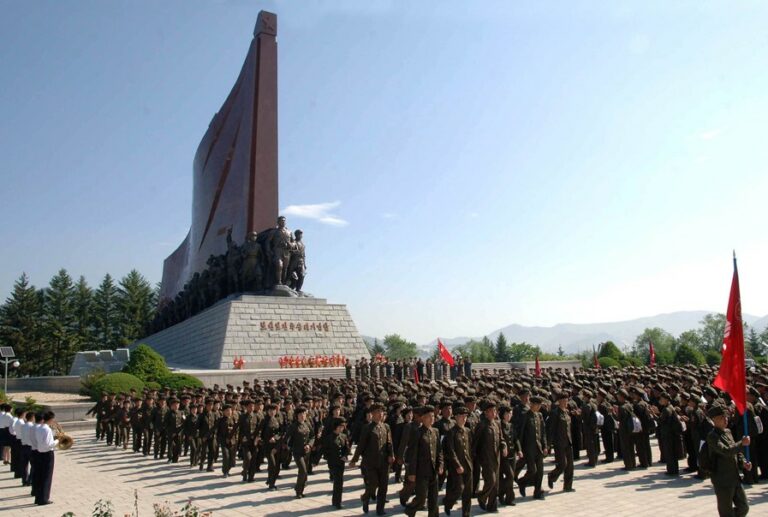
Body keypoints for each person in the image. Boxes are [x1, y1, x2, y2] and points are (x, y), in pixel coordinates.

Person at [706, 405, 751, 517]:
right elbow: (725, 451)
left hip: (734, 477)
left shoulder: (728, 432)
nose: (725, 419)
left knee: (744, 507)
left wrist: (743, 462)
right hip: (722, 479)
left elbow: (736, 452)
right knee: (726, 511)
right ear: (714, 420)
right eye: (722, 417)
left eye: (726, 416)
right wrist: (741, 443)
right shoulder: (712, 436)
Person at [349, 403, 393, 515]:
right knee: (373, 483)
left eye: (381, 412)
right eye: (377, 412)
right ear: (372, 414)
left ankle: (380, 509)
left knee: (383, 486)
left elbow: (389, 443)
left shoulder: (386, 427)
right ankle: (365, 497)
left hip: (384, 462)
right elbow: (361, 445)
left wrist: (391, 455)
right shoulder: (367, 428)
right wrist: (354, 459)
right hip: (371, 462)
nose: (380, 414)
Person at [404, 405, 443, 517]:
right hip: (421, 471)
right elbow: (413, 454)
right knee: (421, 498)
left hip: (433, 470)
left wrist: (440, 464)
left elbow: (439, 451)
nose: (432, 419)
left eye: (433, 416)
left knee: (434, 498)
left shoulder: (435, 431)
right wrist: (412, 473)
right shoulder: (417, 433)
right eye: (429, 416)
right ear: (423, 418)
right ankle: (410, 510)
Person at [474, 400, 506, 512]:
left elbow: (501, 439)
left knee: (495, 484)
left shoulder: (497, 424)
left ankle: (492, 506)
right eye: (491, 411)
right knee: (491, 481)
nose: (493, 413)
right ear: (486, 413)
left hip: (496, 457)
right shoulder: (481, 425)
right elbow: (475, 443)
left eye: (495, 411)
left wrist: (504, 446)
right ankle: (482, 497)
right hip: (486, 458)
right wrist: (476, 458)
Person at [443, 406, 473, 517]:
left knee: (468, 492)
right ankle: (448, 503)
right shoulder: (451, 432)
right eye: (461, 416)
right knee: (459, 488)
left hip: (468, 465)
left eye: (465, 416)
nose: (464, 419)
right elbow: (451, 451)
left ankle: (466, 514)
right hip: (456, 467)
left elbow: (470, 448)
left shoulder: (468, 431)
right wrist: (457, 465)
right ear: (455, 417)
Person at [518, 395, 548, 500]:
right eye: (537, 405)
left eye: (540, 405)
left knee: (540, 471)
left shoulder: (539, 415)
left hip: (538, 448)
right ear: (532, 404)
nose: (539, 407)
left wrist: (545, 446)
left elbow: (543, 432)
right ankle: (522, 482)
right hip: (528, 449)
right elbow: (521, 433)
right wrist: (519, 449)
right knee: (532, 470)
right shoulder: (525, 416)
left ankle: (538, 492)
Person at [547, 392, 575, 492]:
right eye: (563, 401)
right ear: (559, 401)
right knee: (563, 464)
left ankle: (568, 486)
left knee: (570, 466)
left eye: (567, 400)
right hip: (559, 443)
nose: (566, 402)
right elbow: (551, 430)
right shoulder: (555, 413)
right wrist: (548, 445)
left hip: (568, 442)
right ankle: (551, 476)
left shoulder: (566, 412)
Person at [286, 406, 314, 498]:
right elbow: (287, 438)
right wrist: (290, 447)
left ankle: (300, 490)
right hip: (297, 452)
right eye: (300, 414)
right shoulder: (293, 426)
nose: (302, 416)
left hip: (306, 452)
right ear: (297, 415)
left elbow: (312, 437)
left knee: (304, 472)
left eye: (304, 414)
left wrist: (309, 445)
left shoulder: (307, 424)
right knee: (303, 470)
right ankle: (298, 490)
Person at [323, 416, 350, 509]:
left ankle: (335, 501)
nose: (342, 428)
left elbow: (347, 448)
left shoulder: (344, 436)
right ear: (335, 426)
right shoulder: (329, 438)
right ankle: (337, 502)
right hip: (333, 463)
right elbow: (324, 451)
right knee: (338, 481)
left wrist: (345, 456)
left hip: (341, 463)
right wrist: (316, 461)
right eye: (340, 426)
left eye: (343, 427)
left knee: (339, 482)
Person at [33, 411, 58, 506]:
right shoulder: (47, 429)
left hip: (39, 453)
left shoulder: (39, 428)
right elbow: (48, 444)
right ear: (50, 419)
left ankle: (38, 497)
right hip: (47, 454)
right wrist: (57, 441)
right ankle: (44, 498)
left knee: (40, 476)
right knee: (47, 476)